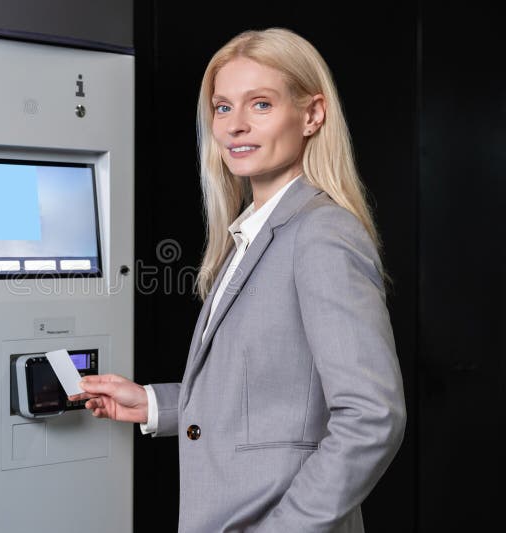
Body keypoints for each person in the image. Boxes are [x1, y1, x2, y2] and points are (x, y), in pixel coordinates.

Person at [69, 27, 406, 532]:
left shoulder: (322, 233)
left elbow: (372, 417)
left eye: (261, 105)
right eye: (223, 108)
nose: (236, 126)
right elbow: (276, 395)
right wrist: (155, 404)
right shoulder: (253, 231)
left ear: (312, 115)